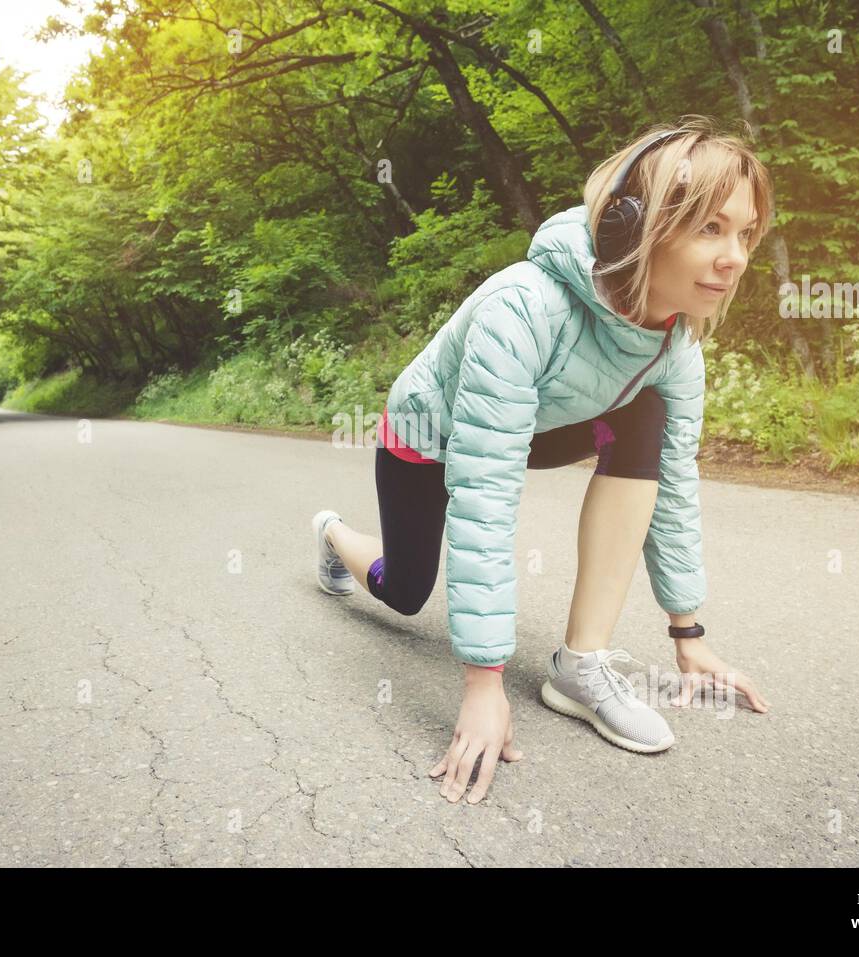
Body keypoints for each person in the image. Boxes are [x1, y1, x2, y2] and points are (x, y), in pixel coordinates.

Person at [313, 116, 773, 805]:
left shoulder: (674, 349)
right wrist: (482, 683)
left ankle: (581, 665)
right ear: (631, 226)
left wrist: (689, 632)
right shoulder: (522, 309)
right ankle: (330, 533)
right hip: (428, 431)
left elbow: (674, 483)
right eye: (711, 228)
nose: (735, 256)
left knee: (644, 414)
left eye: (745, 232)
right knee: (406, 590)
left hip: (538, 418)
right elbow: (484, 494)